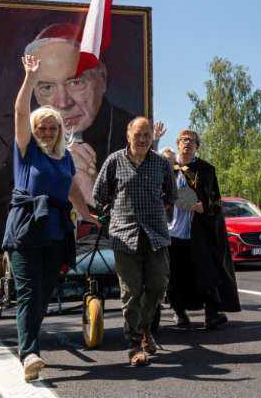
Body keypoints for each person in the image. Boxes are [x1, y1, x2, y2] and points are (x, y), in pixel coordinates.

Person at [0, 22, 134, 256]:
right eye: (46, 87)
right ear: (35, 92)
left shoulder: (130, 134)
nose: (63, 102)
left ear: (102, 79)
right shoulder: (27, 150)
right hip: (35, 239)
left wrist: (93, 197)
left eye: (75, 82)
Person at [2, 54, 96, 382]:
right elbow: (18, 113)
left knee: (43, 293)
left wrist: (86, 214)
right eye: (41, 125)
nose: (45, 129)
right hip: (26, 228)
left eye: (51, 126)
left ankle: (29, 344)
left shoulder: (64, 159)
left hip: (55, 230)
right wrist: (29, 78)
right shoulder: (26, 151)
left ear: (58, 131)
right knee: (28, 293)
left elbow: (71, 190)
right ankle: (29, 353)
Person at [93, 117, 176, 367]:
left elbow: (170, 195)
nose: (142, 139)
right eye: (138, 134)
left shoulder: (161, 163)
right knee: (131, 291)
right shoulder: (114, 161)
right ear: (128, 135)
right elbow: (99, 196)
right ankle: (134, 344)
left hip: (156, 235)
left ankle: (145, 328)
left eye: (147, 135)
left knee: (158, 285)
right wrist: (115, 214)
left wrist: (153, 212)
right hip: (124, 236)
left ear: (152, 138)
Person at [167, 129, 240, 330]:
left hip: (198, 231)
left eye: (191, 141)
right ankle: (179, 312)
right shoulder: (167, 169)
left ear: (197, 146)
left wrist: (204, 206)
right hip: (171, 230)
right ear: (177, 144)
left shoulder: (206, 169)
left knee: (206, 272)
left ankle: (212, 314)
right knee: (175, 274)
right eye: (183, 140)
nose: (187, 143)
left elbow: (216, 200)